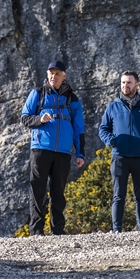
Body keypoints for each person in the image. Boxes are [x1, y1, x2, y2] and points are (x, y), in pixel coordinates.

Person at [20, 60, 85, 236]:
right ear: (47, 74)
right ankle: (36, 232)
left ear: (64, 76)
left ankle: (57, 231)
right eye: (51, 73)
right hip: (41, 148)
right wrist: (39, 120)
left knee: (58, 192)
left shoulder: (72, 98)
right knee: (37, 190)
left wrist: (80, 153)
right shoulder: (38, 93)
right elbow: (25, 118)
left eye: (57, 74)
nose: (53, 77)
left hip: (63, 152)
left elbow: (79, 128)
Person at [98, 71, 140, 232]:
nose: (125, 86)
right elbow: (103, 129)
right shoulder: (113, 106)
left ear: (137, 85)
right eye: (123, 83)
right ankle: (116, 230)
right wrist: (111, 141)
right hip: (119, 156)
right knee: (118, 196)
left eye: (129, 83)